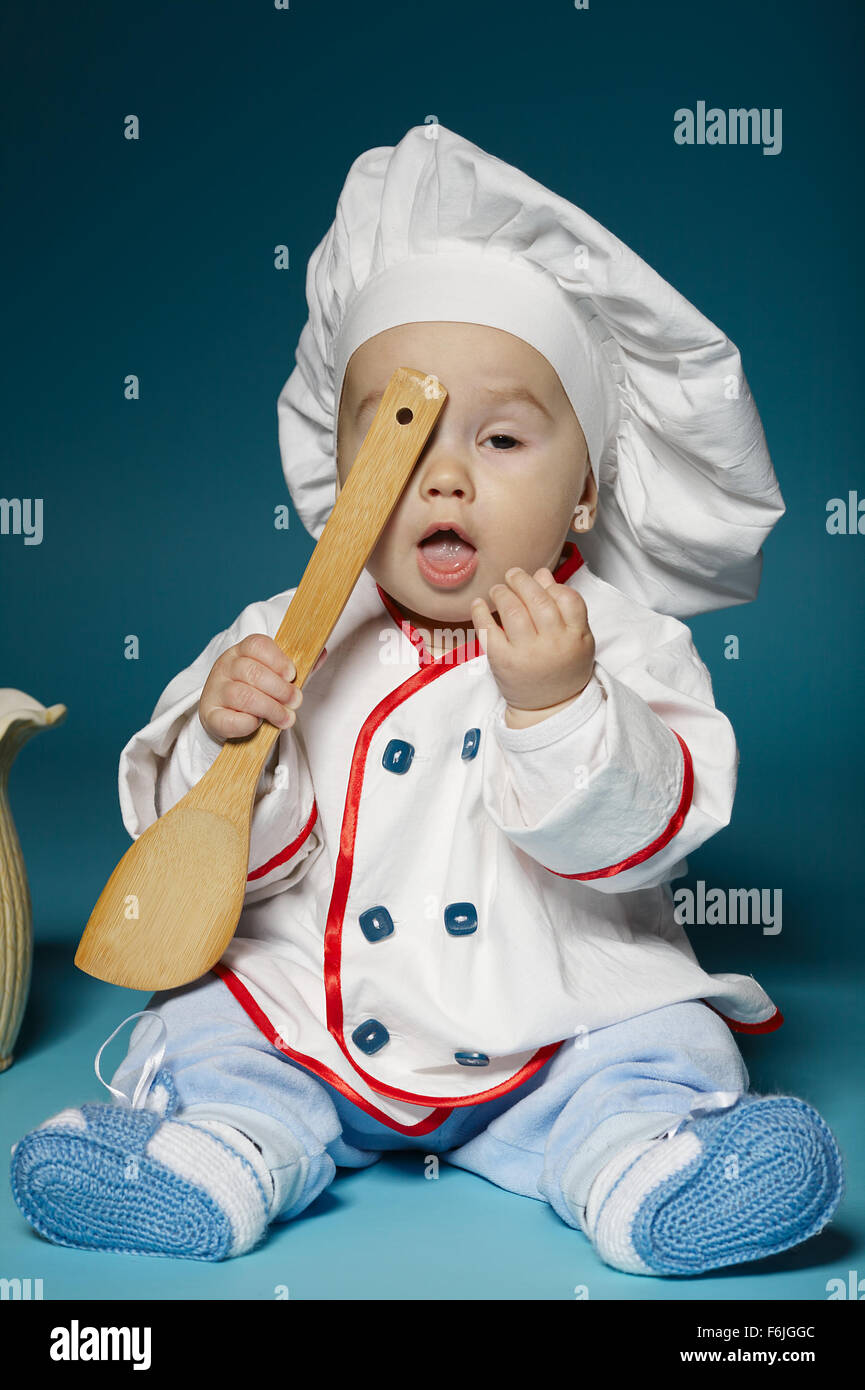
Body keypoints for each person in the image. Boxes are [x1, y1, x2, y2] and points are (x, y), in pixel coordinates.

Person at [11, 124, 843, 1276]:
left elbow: (644, 837)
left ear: (590, 486)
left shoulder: (622, 640)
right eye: (396, 442)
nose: (442, 475)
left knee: (662, 1035)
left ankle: (643, 1166)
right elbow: (206, 863)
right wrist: (227, 740)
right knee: (210, 1017)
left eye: (501, 437)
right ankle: (222, 1150)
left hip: (552, 1015)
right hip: (315, 1013)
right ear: (338, 473)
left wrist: (559, 704)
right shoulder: (280, 627)